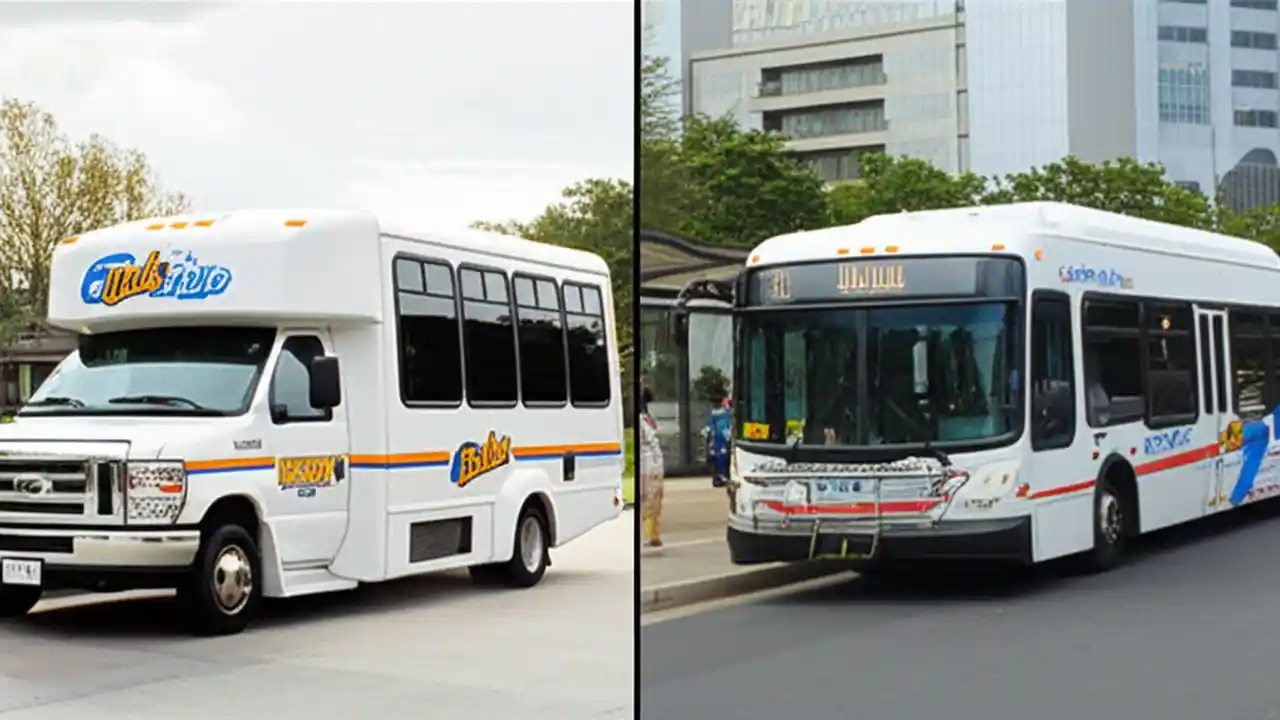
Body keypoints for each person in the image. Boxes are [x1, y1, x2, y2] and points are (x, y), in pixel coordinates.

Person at [639, 381, 664, 548]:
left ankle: (652, 535)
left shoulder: (643, 420)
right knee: (654, 500)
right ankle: (654, 534)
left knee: (650, 500)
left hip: (648, 463)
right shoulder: (647, 419)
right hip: (654, 462)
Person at [706, 396, 732, 487]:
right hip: (720, 440)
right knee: (720, 458)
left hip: (721, 440)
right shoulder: (722, 415)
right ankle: (720, 477)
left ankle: (721, 476)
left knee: (721, 458)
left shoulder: (724, 415)